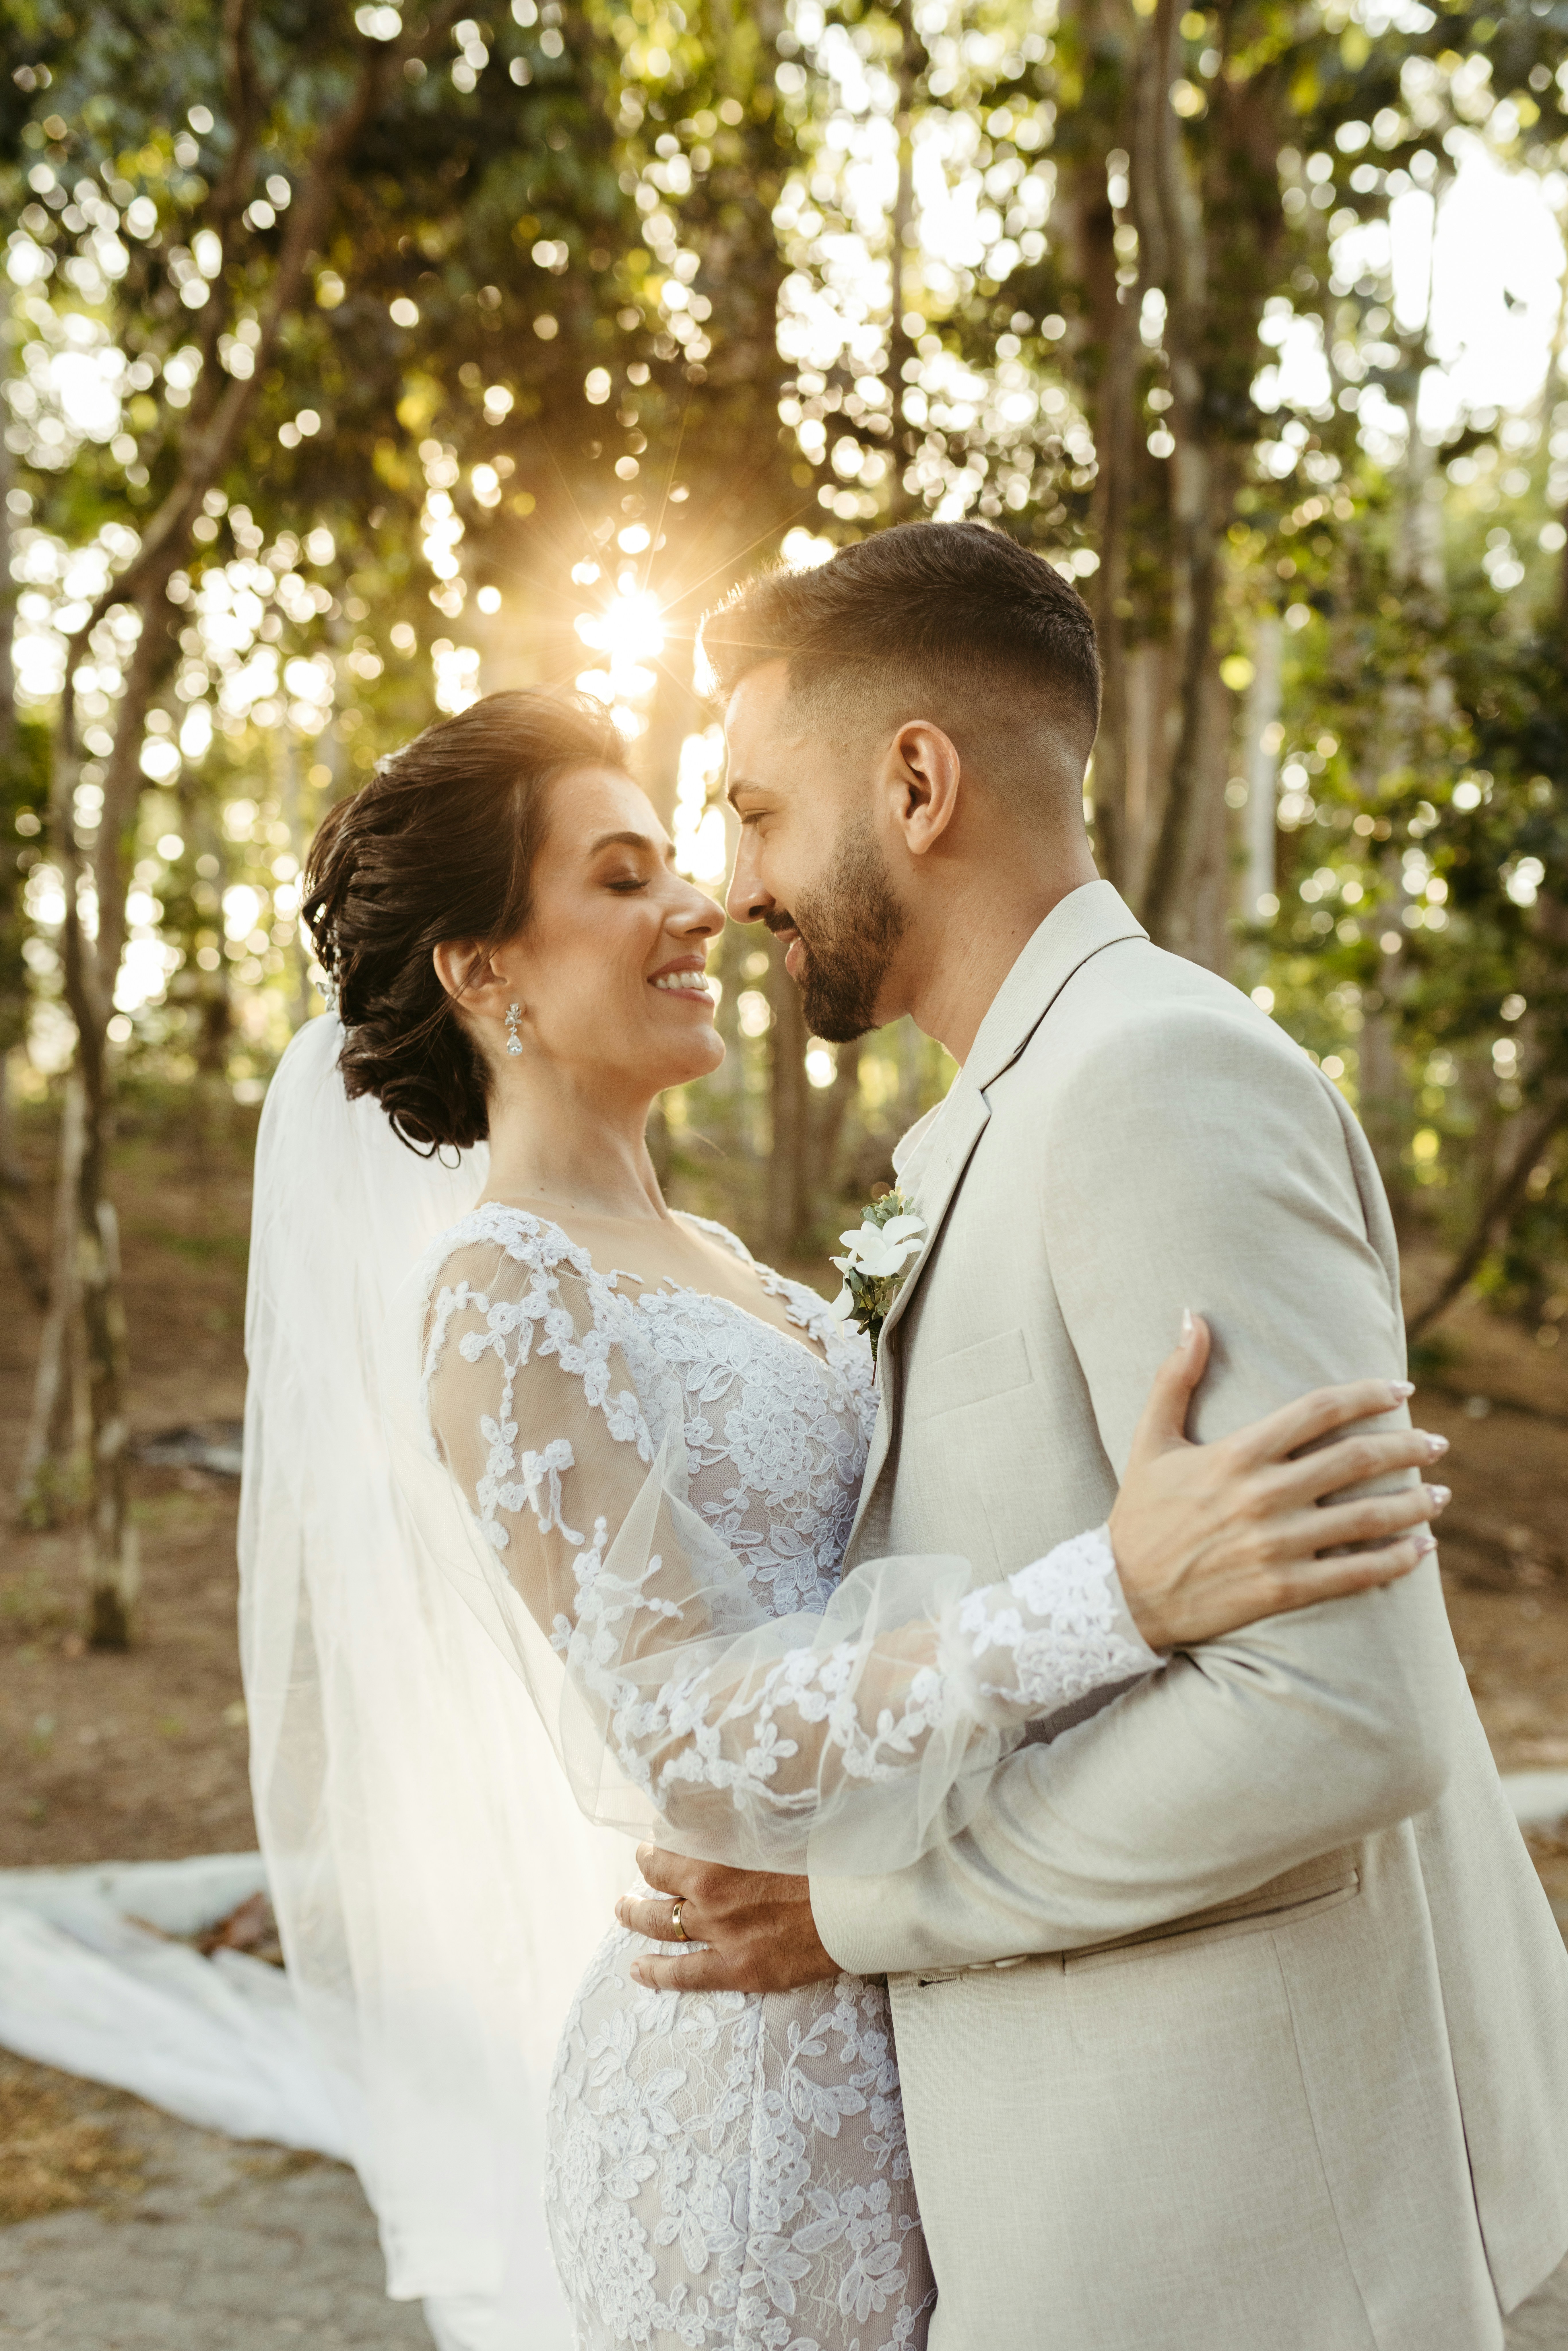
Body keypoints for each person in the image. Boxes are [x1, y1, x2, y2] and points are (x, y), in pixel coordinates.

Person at [285, 680, 1449, 2351]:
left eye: (687, 857)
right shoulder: (500, 1299)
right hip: (757, 2113)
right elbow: (680, 1731)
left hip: (940, 2028)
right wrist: (1107, 1595)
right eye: (620, 878)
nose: (699, 902)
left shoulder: (736, 1273)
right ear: (484, 971)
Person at [614, 521, 1568, 2351]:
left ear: (914, 781)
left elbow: (1327, 1714)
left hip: (1241, 2213)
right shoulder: (1016, 1105)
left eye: (754, 810)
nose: (736, 887)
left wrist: (859, 1908)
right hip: (1082, 2198)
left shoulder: (1153, 1080)